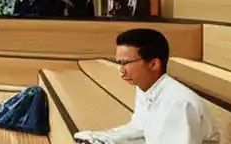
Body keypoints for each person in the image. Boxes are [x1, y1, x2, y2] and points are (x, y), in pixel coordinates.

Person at [72, 29, 218, 143]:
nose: (121, 70)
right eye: (119, 63)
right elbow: (140, 129)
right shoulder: (146, 87)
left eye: (126, 63)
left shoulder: (179, 104)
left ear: (154, 64)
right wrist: (101, 138)